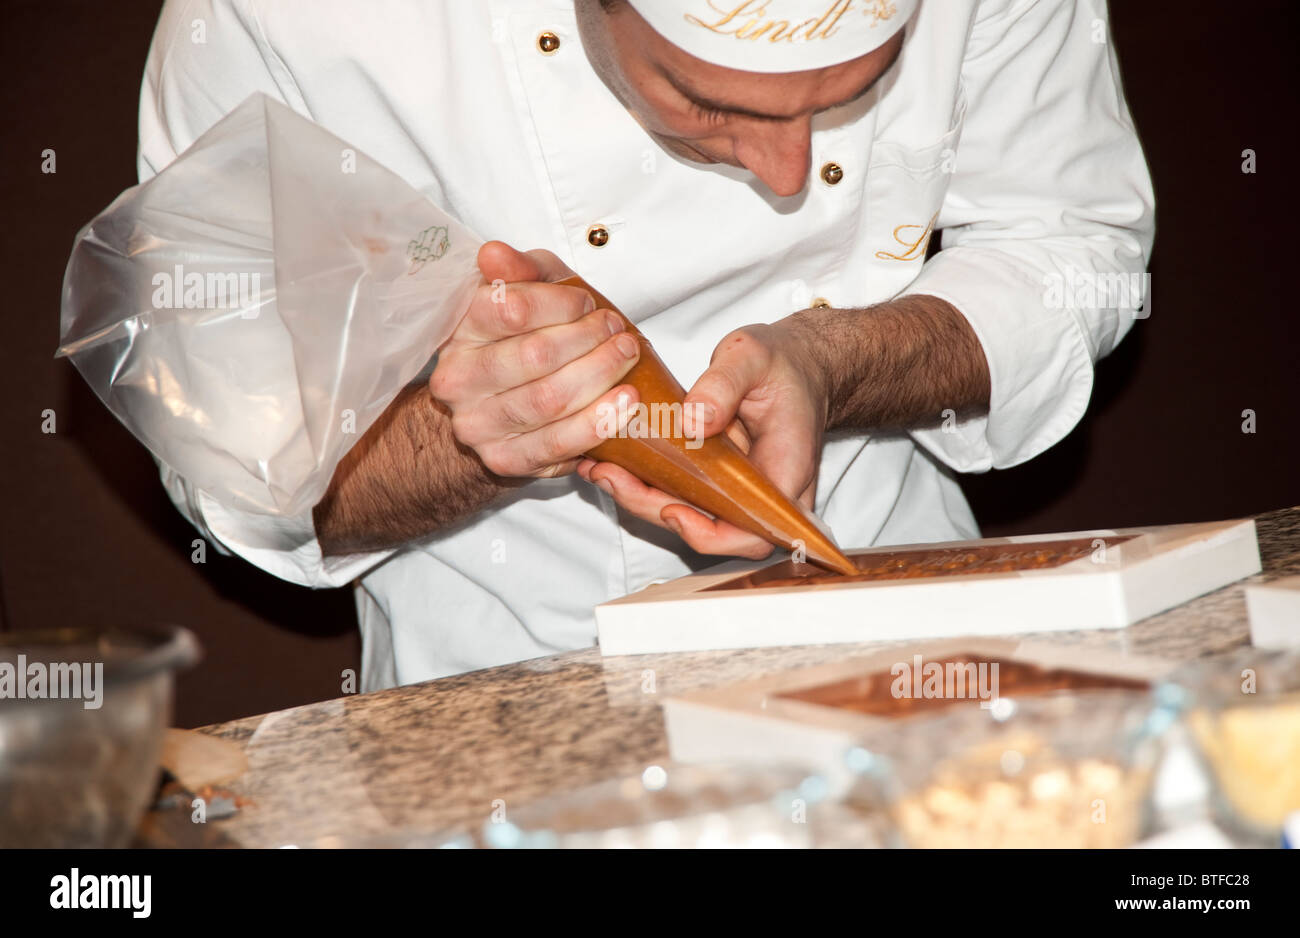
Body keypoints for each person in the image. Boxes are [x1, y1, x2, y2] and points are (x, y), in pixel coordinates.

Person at [139, 0, 1154, 690]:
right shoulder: (284, 19)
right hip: (504, 677)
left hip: (898, 619)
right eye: (707, 100)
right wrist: (491, 429)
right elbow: (236, 456)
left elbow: (1074, 241)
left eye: (855, 90)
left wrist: (836, 362)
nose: (786, 170)